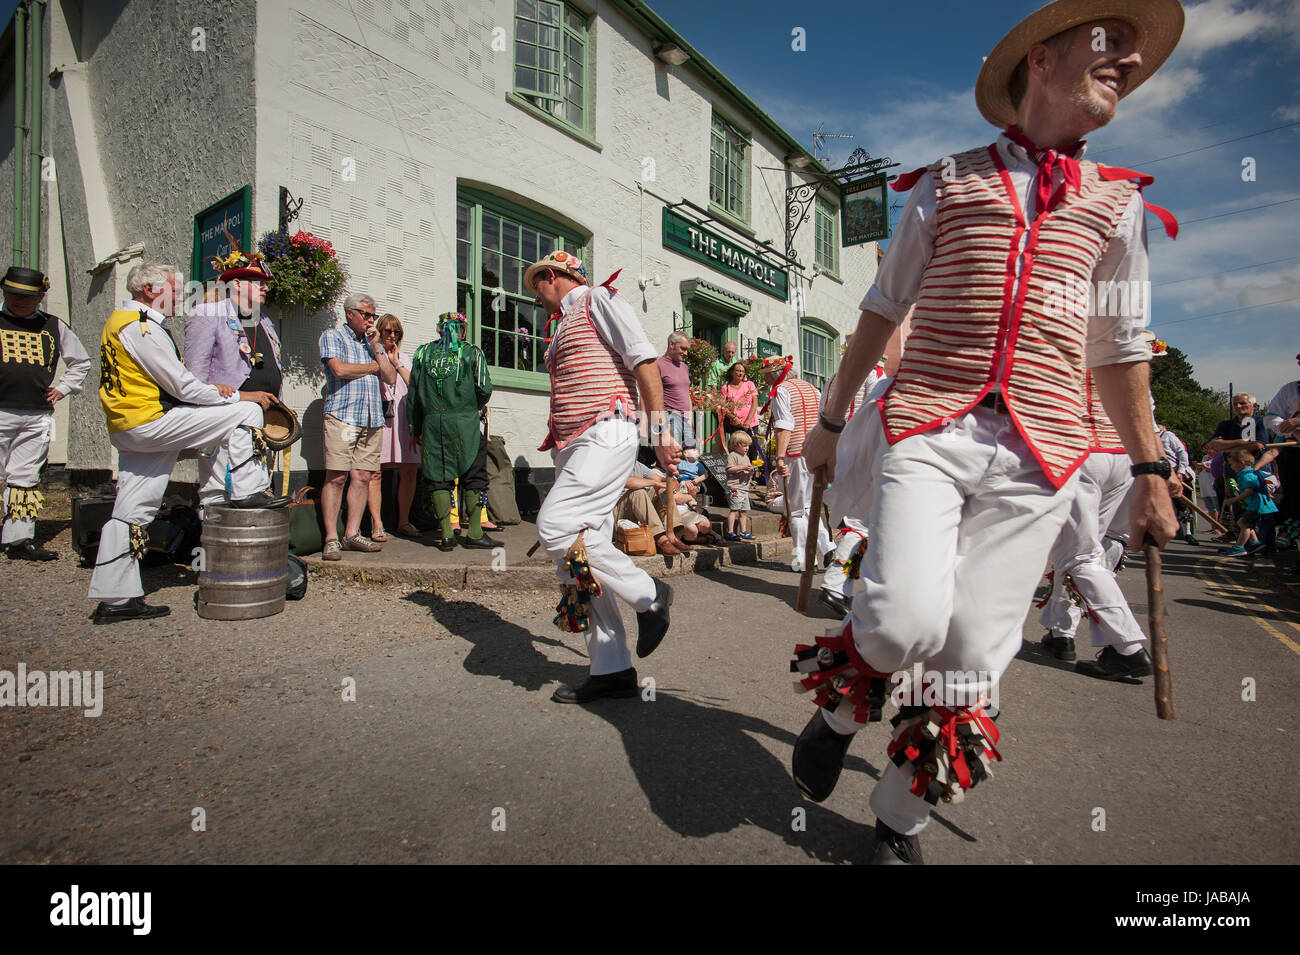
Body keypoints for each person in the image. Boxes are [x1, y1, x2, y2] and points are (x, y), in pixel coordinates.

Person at [787, 0, 1183, 865]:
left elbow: (1117, 352)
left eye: (1132, 55)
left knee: (967, 661)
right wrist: (827, 418)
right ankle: (840, 711)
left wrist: (1149, 466)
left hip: (1044, 450)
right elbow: (881, 310)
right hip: (931, 426)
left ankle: (898, 818)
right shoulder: (947, 181)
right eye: (1107, 43)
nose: (1125, 62)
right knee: (899, 620)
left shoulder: (1119, 211)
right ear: (1039, 60)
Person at [87, 263, 286, 623]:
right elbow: (182, 385)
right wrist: (235, 397)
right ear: (149, 290)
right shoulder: (140, 327)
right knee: (246, 414)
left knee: (131, 509)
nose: (180, 297)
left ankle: (115, 598)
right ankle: (247, 490)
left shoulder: (123, 323)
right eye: (174, 291)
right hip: (150, 420)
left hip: (130, 426)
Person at [527, 249, 678, 704]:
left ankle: (650, 592)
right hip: (573, 444)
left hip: (607, 431)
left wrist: (660, 432)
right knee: (578, 563)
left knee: (555, 527)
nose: (536, 299)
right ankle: (611, 669)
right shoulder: (561, 328)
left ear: (551, 276)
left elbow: (643, 360)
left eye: (536, 286)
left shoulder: (600, 300)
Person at [1038, 371, 1151, 680]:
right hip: (1122, 456)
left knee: (1081, 555)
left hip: (1082, 453)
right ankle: (1062, 632)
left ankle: (1127, 647)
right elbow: (1145, 411)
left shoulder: (1067, 338)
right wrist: (1157, 467)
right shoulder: (1118, 352)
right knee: (1078, 550)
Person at [0, 266, 91, 560]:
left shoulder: (53, 325)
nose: (19, 301)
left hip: (36, 412)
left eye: (27, 296)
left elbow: (80, 361)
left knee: (25, 476)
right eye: (13, 294)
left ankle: (19, 539)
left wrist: (63, 389)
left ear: (40, 297)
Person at [185, 252, 283, 512]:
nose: (265, 287)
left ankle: (252, 548)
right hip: (223, 417)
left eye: (266, 283)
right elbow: (195, 378)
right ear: (237, 283)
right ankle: (216, 548)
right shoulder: (207, 313)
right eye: (257, 281)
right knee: (218, 490)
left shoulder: (265, 321)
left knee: (255, 490)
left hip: (260, 420)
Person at [407, 312, 497, 551]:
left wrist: (415, 427)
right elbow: (484, 388)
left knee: (438, 477)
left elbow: (414, 395)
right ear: (463, 330)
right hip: (465, 423)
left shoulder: (423, 353)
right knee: (475, 476)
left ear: (439, 330)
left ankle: (446, 535)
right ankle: (475, 533)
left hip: (433, 425)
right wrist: (472, 406)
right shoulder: (471, 353)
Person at [319, 293, 397, 560]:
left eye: (373, 315)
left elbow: (389, 376)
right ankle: (331, 538)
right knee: (337, 476)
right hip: (343, 416)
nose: (370, 320)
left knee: (363, 477)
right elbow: (339, 370)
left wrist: (377, 348)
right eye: (366, 314)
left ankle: (352, 534)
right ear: (350, 313)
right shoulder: (333, 336)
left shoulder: (371, 343)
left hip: (371, 418)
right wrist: (372, 367)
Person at [762, 354, 832, 572]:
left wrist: (780, 457)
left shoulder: (782, 390)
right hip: (816, 452)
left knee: (796, 509)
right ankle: (827, 547)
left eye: (766, 376)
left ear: (776, 374)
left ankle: (804, 558)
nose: (765, 381)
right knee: (810, 505)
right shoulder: (813, 389)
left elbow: (784, 425)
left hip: (797, 454)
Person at [367, 313, 420, 539]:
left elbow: (414, 386)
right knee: (374, 473)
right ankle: (377, 523)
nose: (392, 335)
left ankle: (404, 521)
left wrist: (397, 362)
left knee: (408, 471)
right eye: (387, 331)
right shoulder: (373, 354)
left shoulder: (406, 359)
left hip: (403, 421)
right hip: (380, 419)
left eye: (396, 332)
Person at [1221, 447, 1280, 557]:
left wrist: (1233, 500)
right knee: (1243, 523)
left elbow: (1249, 492)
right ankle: (1255, 543)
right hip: (1258, 506)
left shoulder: (1248, 476)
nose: (1231, 467)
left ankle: (1239, 547)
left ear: (1242, 463)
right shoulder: (1248, 474)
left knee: (1245, 525)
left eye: (1232, 464)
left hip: (1258, 506)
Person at [1263, 359, 1300, 526]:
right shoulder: (1290, 389)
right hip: (1294, 452)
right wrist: (1294, 431)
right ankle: (1292, 531)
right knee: (1293, 493)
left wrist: (1298, 422)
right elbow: (1271, 418)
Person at [657, 331, 696, 451]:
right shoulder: (658, 364)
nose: (686, 353)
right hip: (670, 418)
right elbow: (652, 394)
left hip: (686, 418)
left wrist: (690, 417)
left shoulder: (684, 367)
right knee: (673, 455)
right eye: (683, 349)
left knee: (690, 455)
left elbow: (686, 392)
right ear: (671, 344)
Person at [720, 360, 759, 449]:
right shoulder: (725, 388)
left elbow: (755, 402)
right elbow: (723, 407)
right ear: (732, 372)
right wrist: (733, 418)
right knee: (737, 450)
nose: (740, 373)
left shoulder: (749, 384)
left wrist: (748, 421)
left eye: (742, 371)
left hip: (751, 423)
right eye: (737, 370)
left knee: (752, 450)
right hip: (736, 424)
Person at [724, 430, 754, 541]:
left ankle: (743, 531)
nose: (747, 448)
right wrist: (742, 467)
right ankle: (730, 531)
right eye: (744, 446)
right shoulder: (733, 456)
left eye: (748, 446)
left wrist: (751, 471)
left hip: (744, 488)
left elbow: (747, 470)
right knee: (734, 510)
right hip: (735, 487)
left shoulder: (746, 457)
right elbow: (729, 469)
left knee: (743, 511)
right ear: (736, 445)